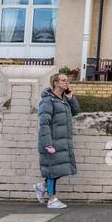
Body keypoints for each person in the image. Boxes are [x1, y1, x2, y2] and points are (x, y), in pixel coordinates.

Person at [34, 70, 80, 210]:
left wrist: (71, 98)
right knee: (53, 171)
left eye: (67, 80)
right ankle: (52, 199)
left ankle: (41, 187)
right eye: (63, 80)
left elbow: (76, 111)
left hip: (62, 142)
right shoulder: (48, 100)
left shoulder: (63, 100)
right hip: (51, 142)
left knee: (59, 169)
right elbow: (44, 123)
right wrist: (47, 143)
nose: (67, 82)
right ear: (55, 83)